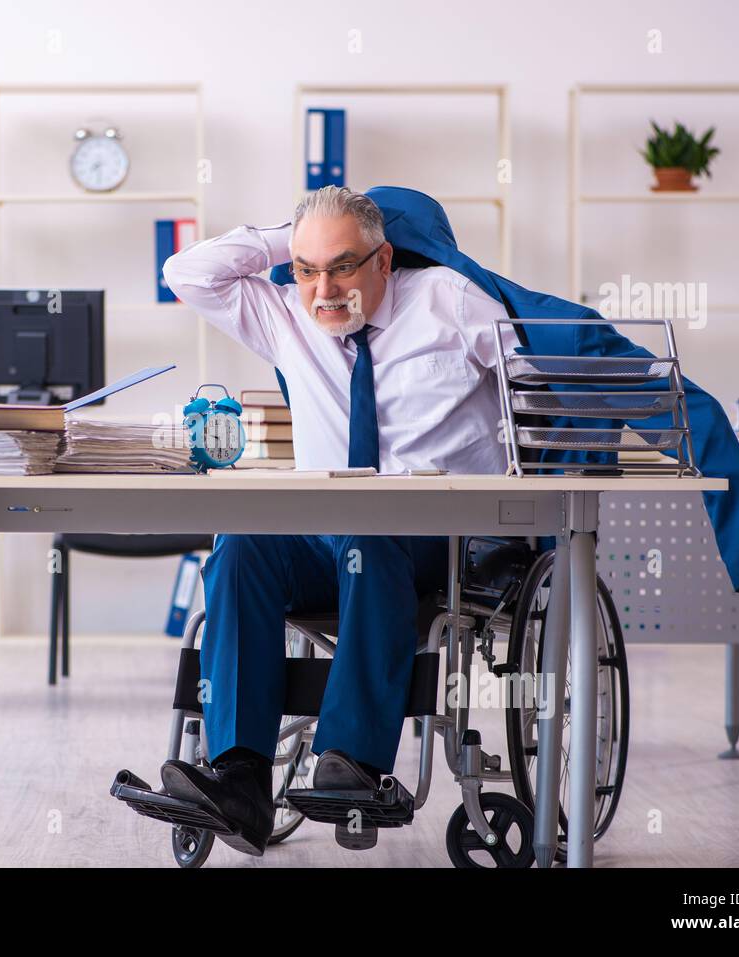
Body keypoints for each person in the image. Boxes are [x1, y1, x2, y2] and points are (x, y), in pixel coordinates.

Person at [156, 185, 520, 856]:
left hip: (433, 540)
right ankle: (239, 776)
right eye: (306, 268)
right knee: (242, 542)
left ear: (385, 261)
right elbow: (186, 272)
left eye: (343, 264)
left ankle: (350, 757)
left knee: (367, 528)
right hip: (326, 541)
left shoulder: (449, 300)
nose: (323, 287)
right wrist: (295, 240)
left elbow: (531, 387)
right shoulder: (287, 310)